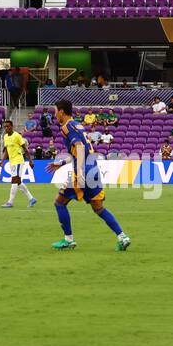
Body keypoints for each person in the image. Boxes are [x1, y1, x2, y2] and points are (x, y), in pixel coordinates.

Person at [47, 99, 130, 251]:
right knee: (98, 208)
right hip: (94, 168)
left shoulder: (66, 127)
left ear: (61, 112)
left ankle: (69, 240)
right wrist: (60, 163)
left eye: (55, 111)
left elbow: (79, 148)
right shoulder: (78, 125)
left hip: (83, 171)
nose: (54, 114)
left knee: (59, 202)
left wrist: (79, 172)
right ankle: (122, 236)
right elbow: (79, 151)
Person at [0, 119, 37, 209]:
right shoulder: (5, 137)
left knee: (14, 180)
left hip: (19, 161)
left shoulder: (17, 136)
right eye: (5, 127)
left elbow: (25, 149)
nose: (6, 128)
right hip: (12, 162)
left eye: (8, 126)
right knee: (18, 182)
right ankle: (31, 198)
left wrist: (31, 161)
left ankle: (10, 202)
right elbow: (7, 151)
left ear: (12, 126)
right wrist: (2, 160)